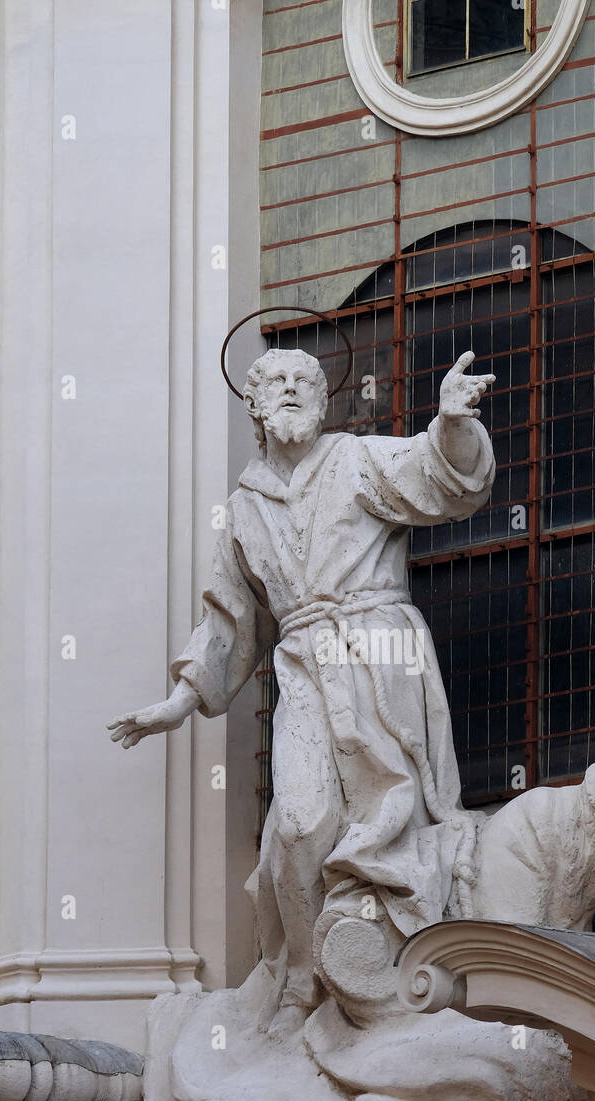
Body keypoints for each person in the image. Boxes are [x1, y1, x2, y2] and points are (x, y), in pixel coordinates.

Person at [108, 346, 495, 1027]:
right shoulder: (243, 509)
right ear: (255, 407)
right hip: (304, 664)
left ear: (322, 402)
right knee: (298, 821)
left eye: (304, 382)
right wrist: (179, 701)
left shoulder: (355, 459)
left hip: (378, 651)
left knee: (389, 812)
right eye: (276, 382)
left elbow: (437, 476)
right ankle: (302, 979)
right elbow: (230, 619)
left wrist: (453, 424)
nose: (291, 390)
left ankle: (379, 956)